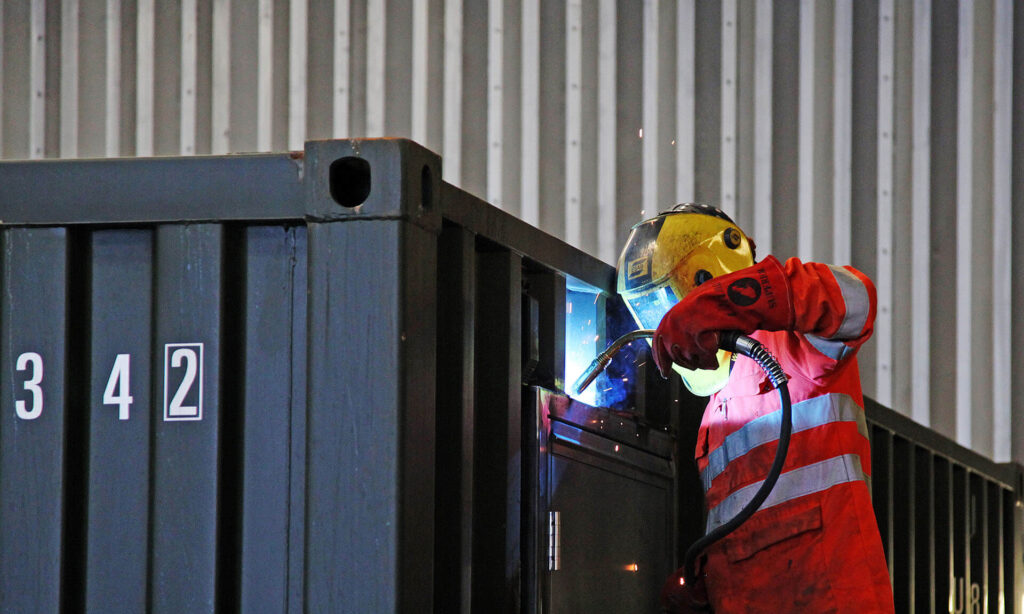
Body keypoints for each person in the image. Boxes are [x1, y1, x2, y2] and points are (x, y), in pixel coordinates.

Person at [616, 204, 895, 613]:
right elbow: (747, 529)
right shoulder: (714, 418)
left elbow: (859, 301)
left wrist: (727, 301)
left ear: (708, 278)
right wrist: (705, 583)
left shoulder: (794, 349)